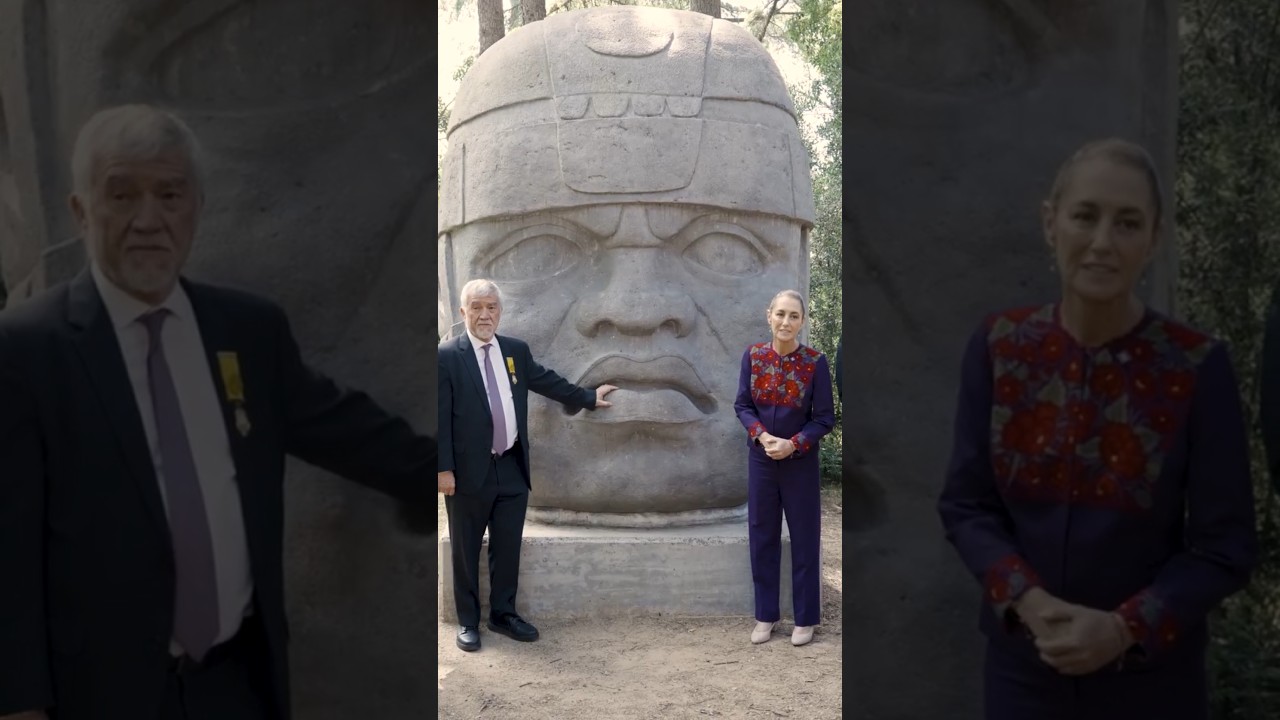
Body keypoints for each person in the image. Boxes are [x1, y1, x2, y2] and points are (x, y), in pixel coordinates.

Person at [0, 104, 436, 720]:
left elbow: (341, 426)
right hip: (98, 695)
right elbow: (9, 549)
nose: (149, 220)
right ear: (80, 211)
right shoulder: (25, 348)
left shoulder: (246, 331)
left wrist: (448, 471)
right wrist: (19, 705)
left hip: (236, 685)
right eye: (121, 195)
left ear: (197, 207)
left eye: (170, 194)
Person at [937, 138, 1258, 719]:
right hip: (1024, 671)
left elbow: (1225, 546)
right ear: (1051, 222)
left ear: (1154, 238)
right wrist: (1029, 604)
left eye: (1128, 223)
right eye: (1086, 216)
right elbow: (966, 505)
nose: (1103, 242)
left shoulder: (1195, 367)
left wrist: (1121, 629)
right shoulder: (1000, 348)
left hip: (1151, 682)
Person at [437, 278, 616, 652]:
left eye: (491, 308)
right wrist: (443, 469)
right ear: (463, 311)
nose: (485, 314)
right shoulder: (447, 355)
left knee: (507, 547)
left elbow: (544, 380)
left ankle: (503, 614)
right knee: (465, 549)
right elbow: (437, 415)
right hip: (469, 472)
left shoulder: (515, 351)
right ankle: (468, 621)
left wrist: (587, 397)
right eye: (477, 307)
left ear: (500, 312)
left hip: (512, 467)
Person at [734, 289, 836, 647]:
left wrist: (794, 443)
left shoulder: (815, 362)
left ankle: (805, 619)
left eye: (794, 316)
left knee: (805, 537)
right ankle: (766, 616)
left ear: (802, 321)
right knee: (762, 535)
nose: (785, 322)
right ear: (769, 316)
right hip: (762, 460)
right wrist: (762, 437)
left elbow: (825, 418)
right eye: (780, 314)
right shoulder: (754, 356)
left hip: (800, 463)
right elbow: (742, 406)